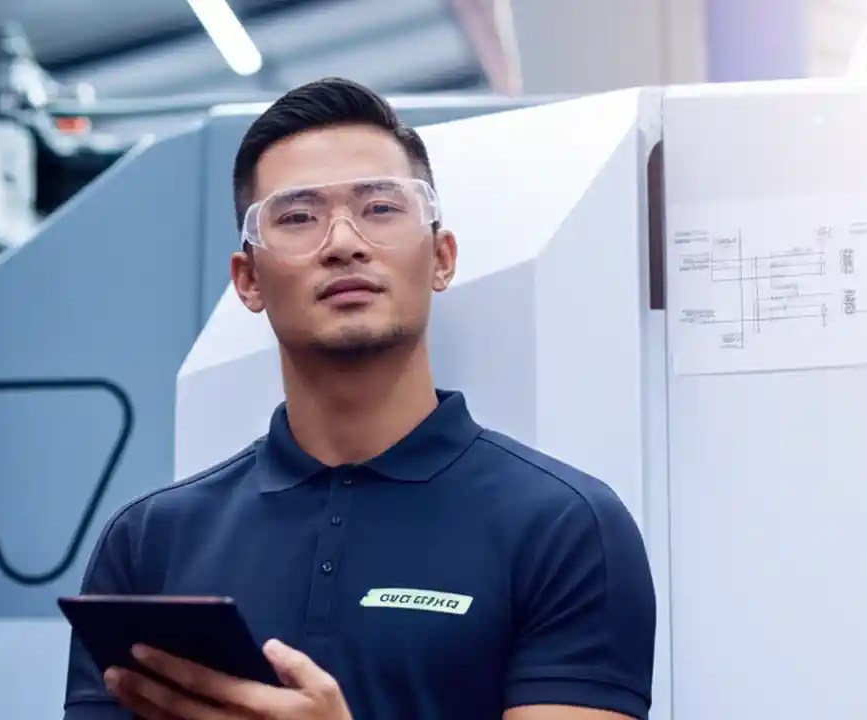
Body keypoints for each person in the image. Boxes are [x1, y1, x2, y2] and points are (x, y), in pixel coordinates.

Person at [62, 77, 656, 720]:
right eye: (298, 217)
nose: (343, 242)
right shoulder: (151, 542)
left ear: (442, 258)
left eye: (379, 208)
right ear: (249, 280)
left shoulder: (565, 528)